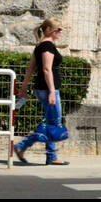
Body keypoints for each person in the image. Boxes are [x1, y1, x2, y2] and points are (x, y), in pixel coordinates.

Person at [14, 18, 69, 165]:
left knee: (52, 123)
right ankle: (23, 146)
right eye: (58, 29)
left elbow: (31, 68)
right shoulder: (47, 46)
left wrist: (23, 88)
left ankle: (50, 155)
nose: (60, 32)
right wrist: (52, 91)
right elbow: (46, 69)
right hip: (47, 89)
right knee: (54, 123)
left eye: (60, 29)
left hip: (41, 89)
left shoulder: (40, 46)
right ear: (48, 30)